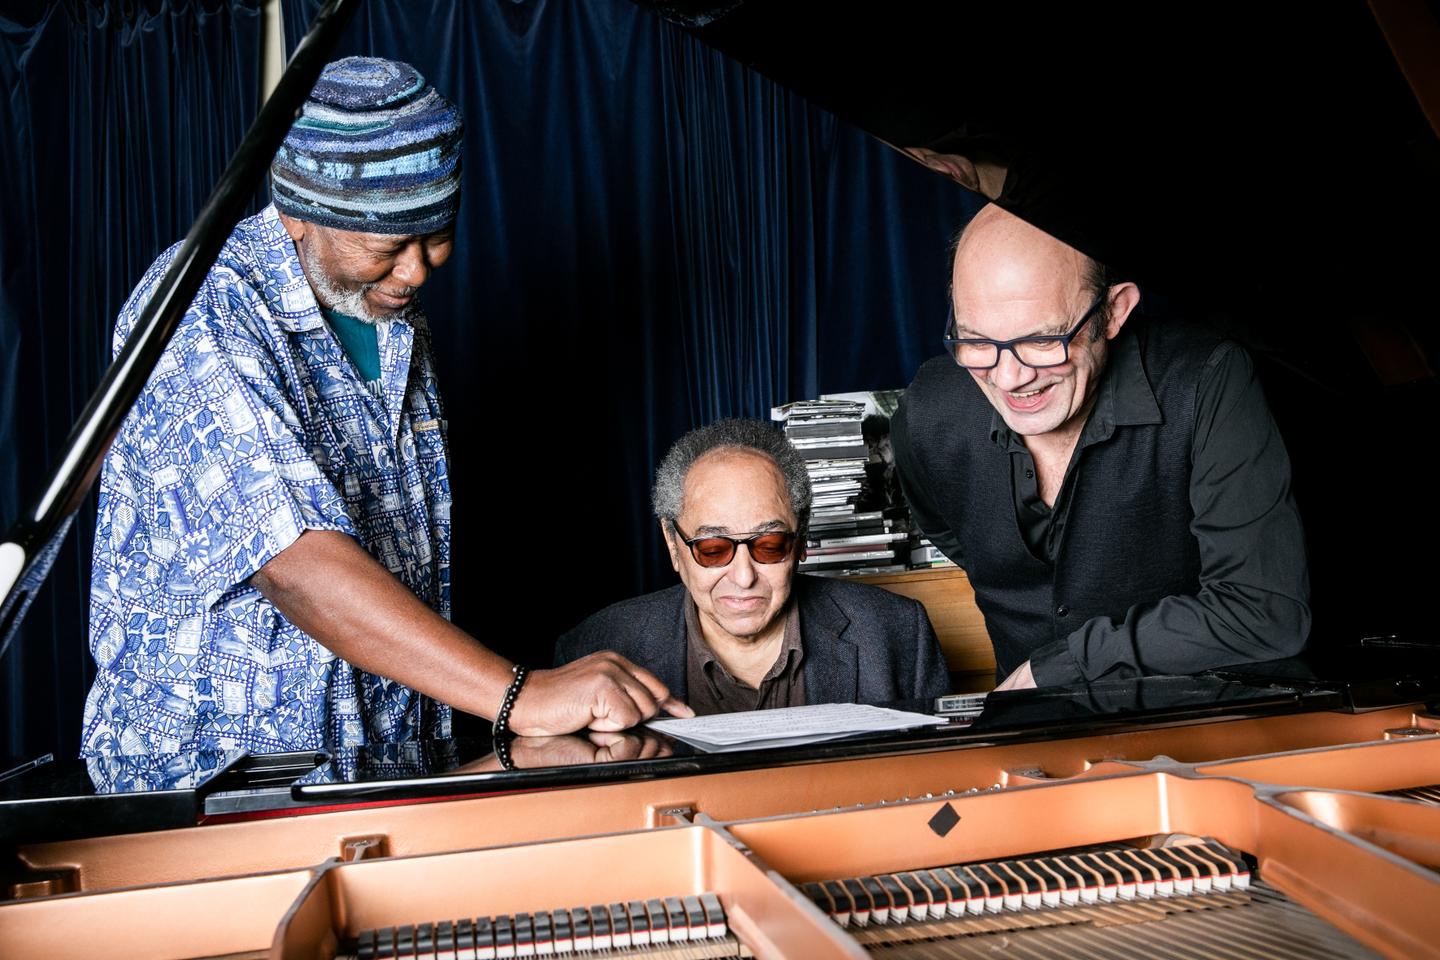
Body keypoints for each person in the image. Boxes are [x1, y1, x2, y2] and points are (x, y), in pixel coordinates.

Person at [81, 57, 688, 769]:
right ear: (298, 212)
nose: (418, 269)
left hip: (383, 760)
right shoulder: (198, 308)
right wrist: (518, 694)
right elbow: (295, 562)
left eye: (436, 233)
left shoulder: (391, 310)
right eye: (388, 246)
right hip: (220, 776)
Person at [891, 203, 1310, 691]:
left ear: (1114, 312)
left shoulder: (1210, 380)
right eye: (977, 343)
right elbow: (952, 533)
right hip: (1027, 742)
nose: (1009, 378)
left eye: (1044, 340)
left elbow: (1264, 611)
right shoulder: (929, 407)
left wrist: (1062, 666)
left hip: (1205, 725)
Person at [555, 419, 948, 713]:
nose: (743, 578)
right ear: (673, 545)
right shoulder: (594, 647)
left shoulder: (898, 633)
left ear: (801, 540)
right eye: (712, 548)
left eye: (770, 545)